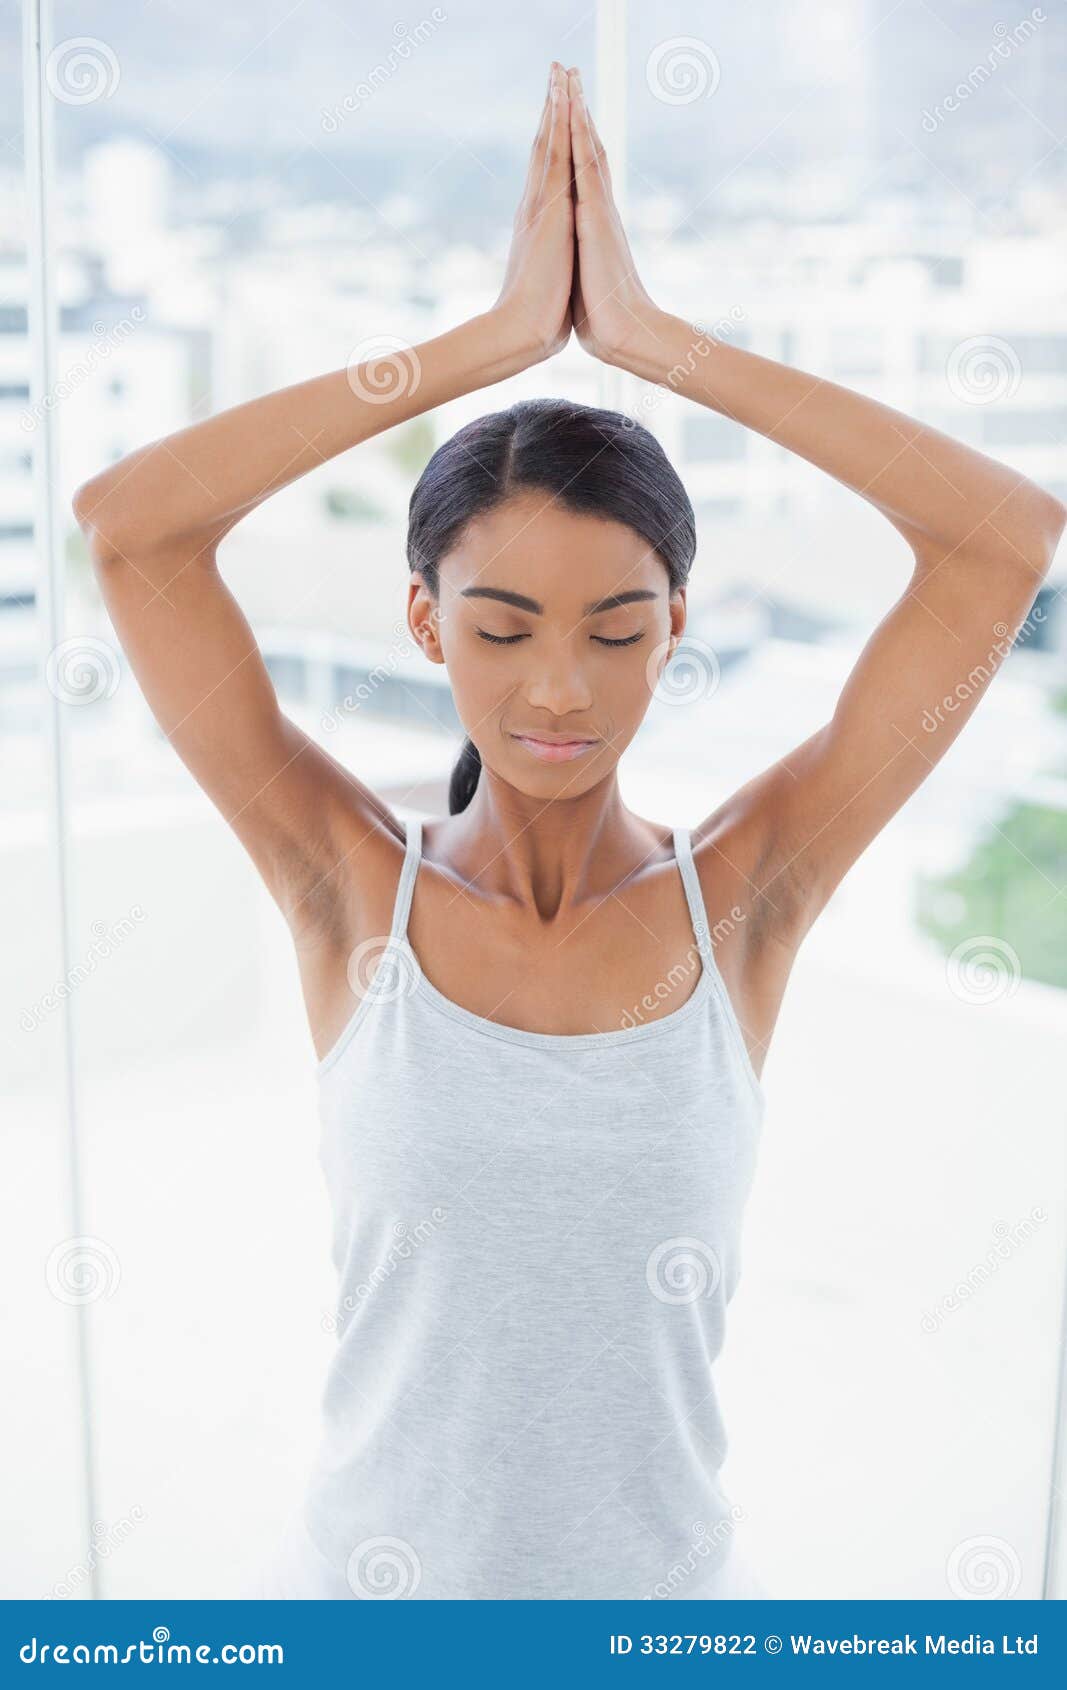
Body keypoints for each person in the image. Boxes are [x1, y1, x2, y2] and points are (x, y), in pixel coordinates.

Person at [73, 62, 1064, 1600]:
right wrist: (479, 351)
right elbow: (131, 529)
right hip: (365, 1616)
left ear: (678, 625)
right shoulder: (347, 887)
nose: (557, 688)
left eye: (616, 629)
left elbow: (1004, 537)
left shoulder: (745, 895)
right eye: (502, 625)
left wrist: (660, 347)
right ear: (421, 621)